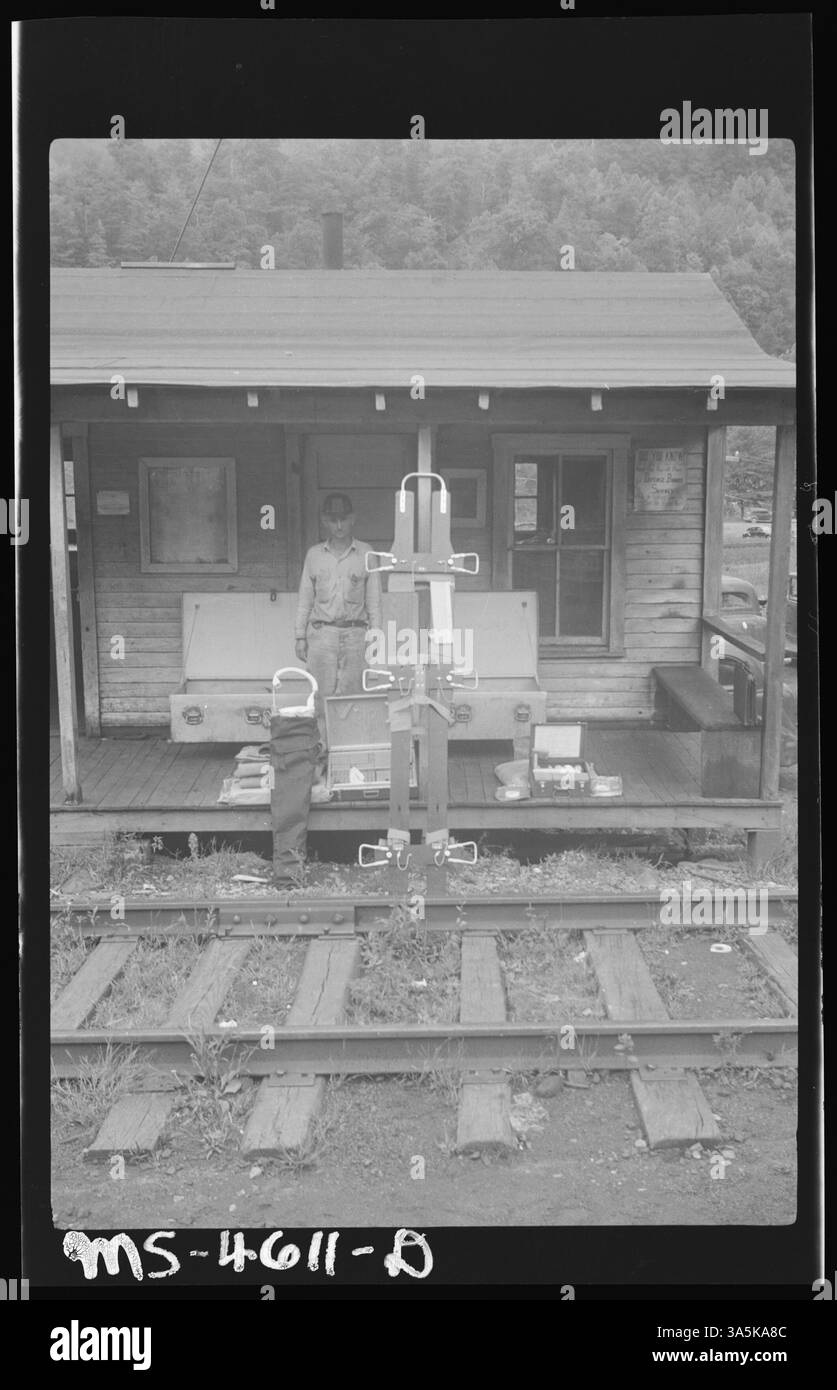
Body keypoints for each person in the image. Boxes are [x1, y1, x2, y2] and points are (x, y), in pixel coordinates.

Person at [294, 493, 383, 759]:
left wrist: (375, 637)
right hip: (322, 634)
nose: (339, 526)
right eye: (333, 520)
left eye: (344, 519)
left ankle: (347, 754)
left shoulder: (366, 553)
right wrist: (300, 635)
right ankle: (322, 752)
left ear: (353, 519)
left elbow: (375, 600)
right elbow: (304, 599)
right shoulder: (314, 555)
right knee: (321, 696)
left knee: (352, 694)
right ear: (325, 522)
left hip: (356, 633)